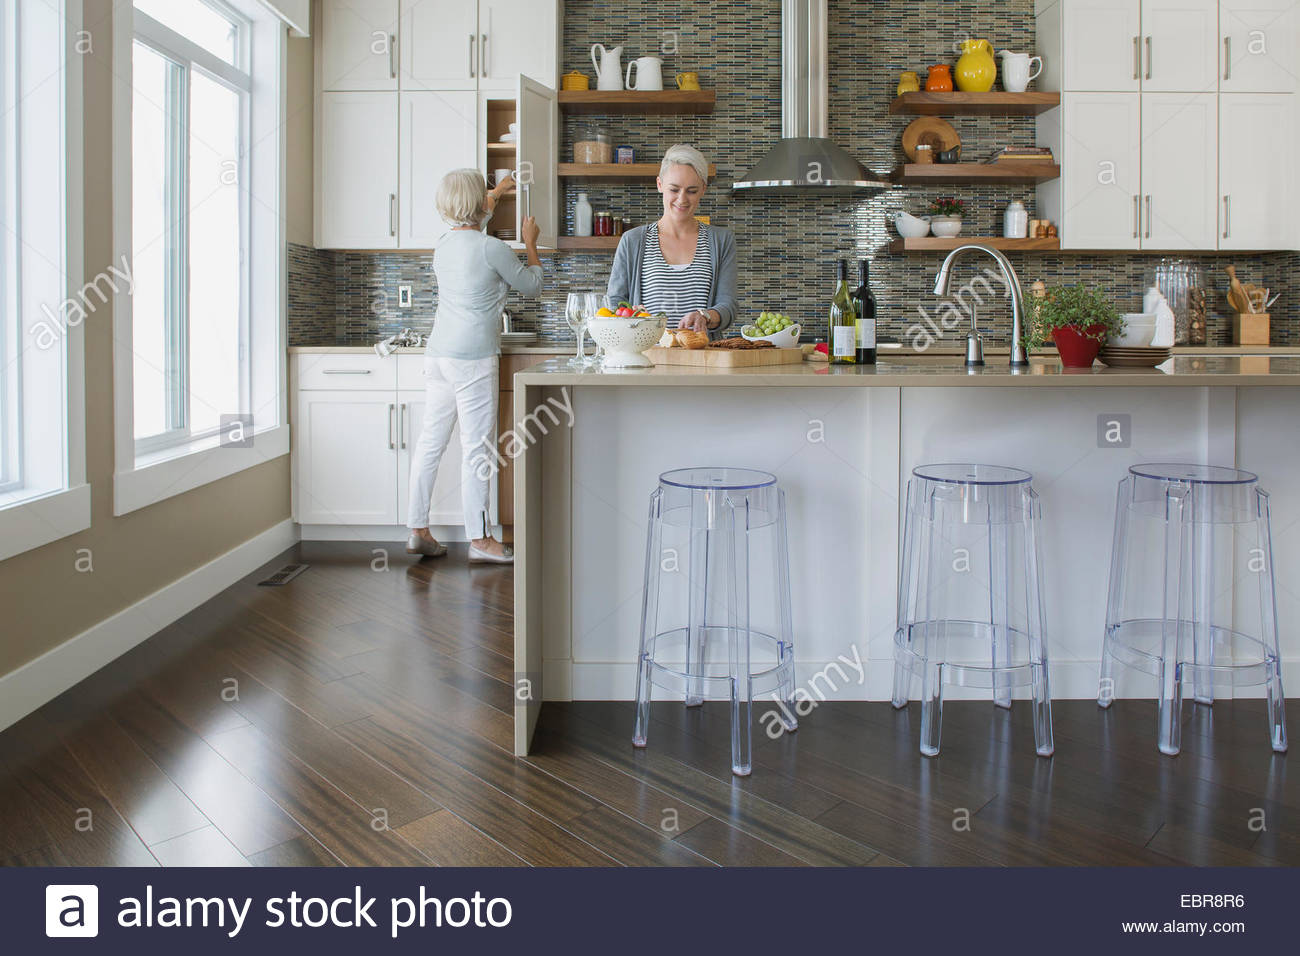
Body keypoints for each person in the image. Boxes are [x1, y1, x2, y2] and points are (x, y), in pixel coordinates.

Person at [406, 169, 541, 564]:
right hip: (473, 359)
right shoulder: (491, 248)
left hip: (439, 356)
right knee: (477, 451)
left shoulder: (443, 244)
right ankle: (481, 540)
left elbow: (476, 212)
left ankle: (417, 529)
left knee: (430, 444)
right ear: (479, 205)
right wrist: (530, 244)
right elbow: (532, 286)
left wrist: (496, 192)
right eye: (486, 193)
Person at [607, 144, 738, 338]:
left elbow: (729, 305)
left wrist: (706, 315)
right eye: (674, 189)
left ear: (703, 189)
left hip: (703, 359)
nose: (682, 199)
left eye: (692, 191)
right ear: (659, 185)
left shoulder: (721, 240)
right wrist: (630, 315)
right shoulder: (632, 240)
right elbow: (615, 301)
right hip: (647, 357)